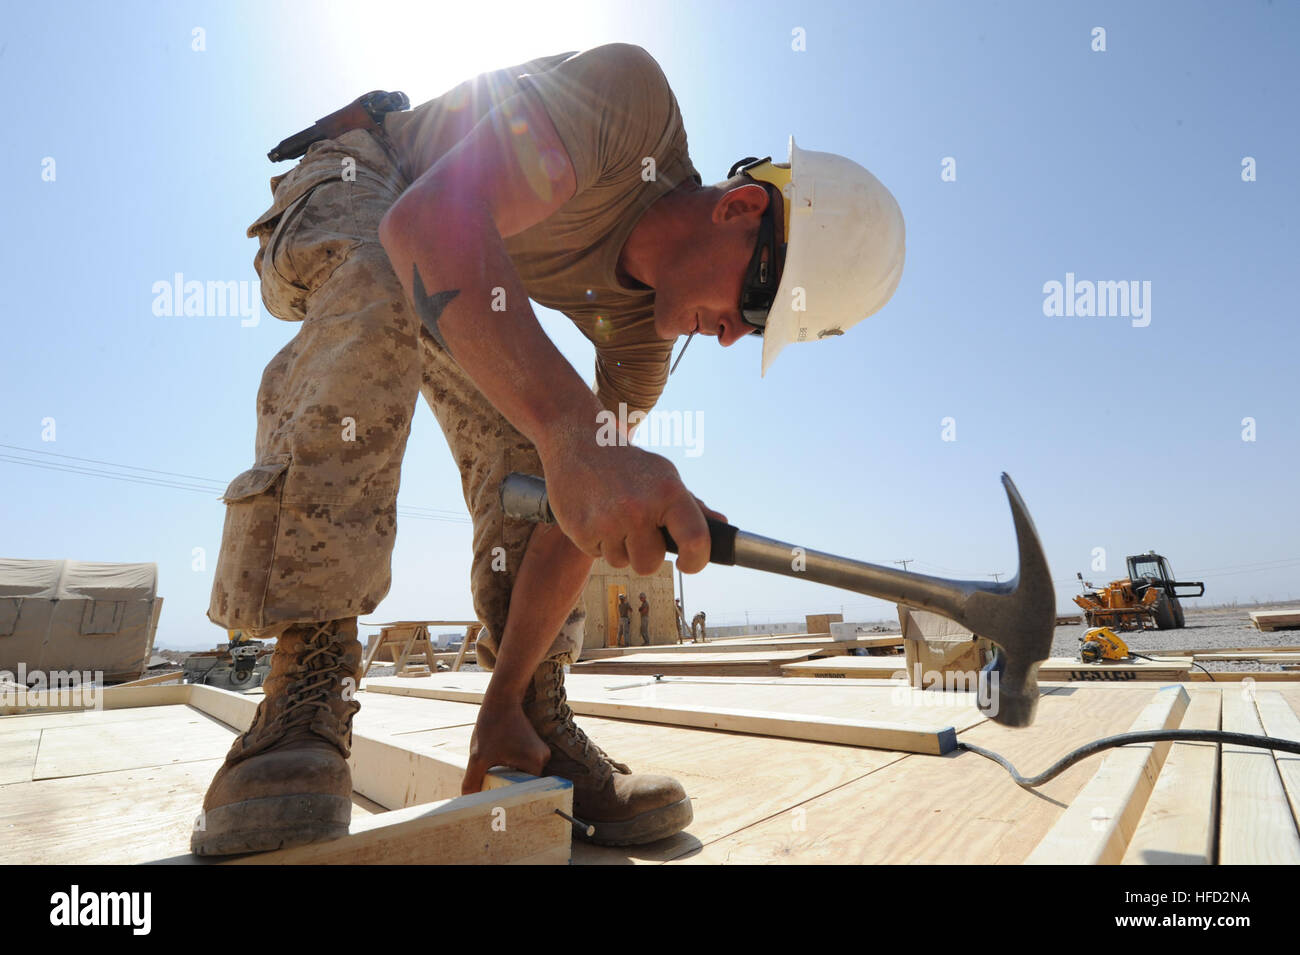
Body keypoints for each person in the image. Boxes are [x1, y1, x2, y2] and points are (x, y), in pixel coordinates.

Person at [193, 43, 904, 856]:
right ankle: (303, 693)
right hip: (362, 174)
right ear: (742, 208)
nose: (738, 334)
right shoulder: (628, 108)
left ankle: (531, 710)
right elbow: (427, 224)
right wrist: (575, 434)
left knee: (537, 455)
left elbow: (571, 513)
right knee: (380, 280)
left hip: (435, 263)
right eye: (756, 299)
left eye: (761, 330)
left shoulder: (639, 353)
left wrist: (500, 694)